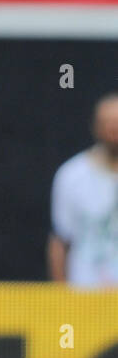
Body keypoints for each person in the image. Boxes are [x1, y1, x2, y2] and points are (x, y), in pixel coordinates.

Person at [49, 92, 118, 287]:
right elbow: (60, 240)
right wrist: (61, 298)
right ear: (95, 126)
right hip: (84, 298)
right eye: (108, 123)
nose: (114, 129)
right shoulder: (71, 175)